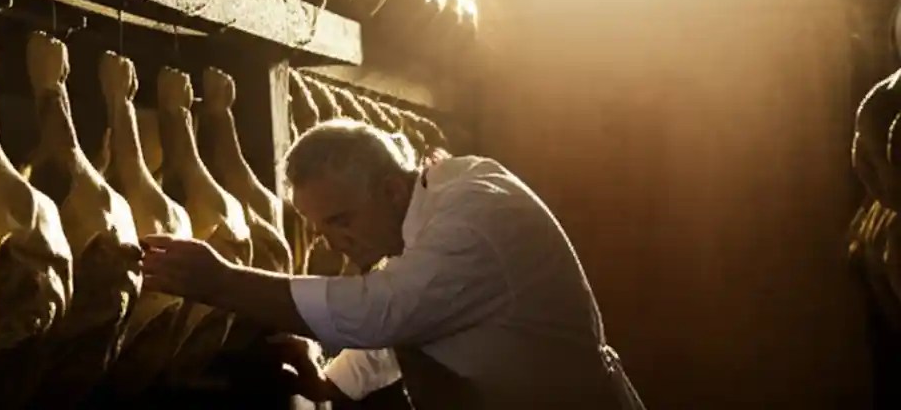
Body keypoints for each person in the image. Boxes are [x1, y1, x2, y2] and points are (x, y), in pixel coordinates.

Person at [140, 119, 644, 409]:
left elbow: (386, 309)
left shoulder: (470, 218)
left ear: (391, 189)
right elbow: (415, 318)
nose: (337, 243)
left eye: (342, 220)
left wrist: (222, 281)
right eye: (322, 229)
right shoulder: (430, 211)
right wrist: (331, 383)